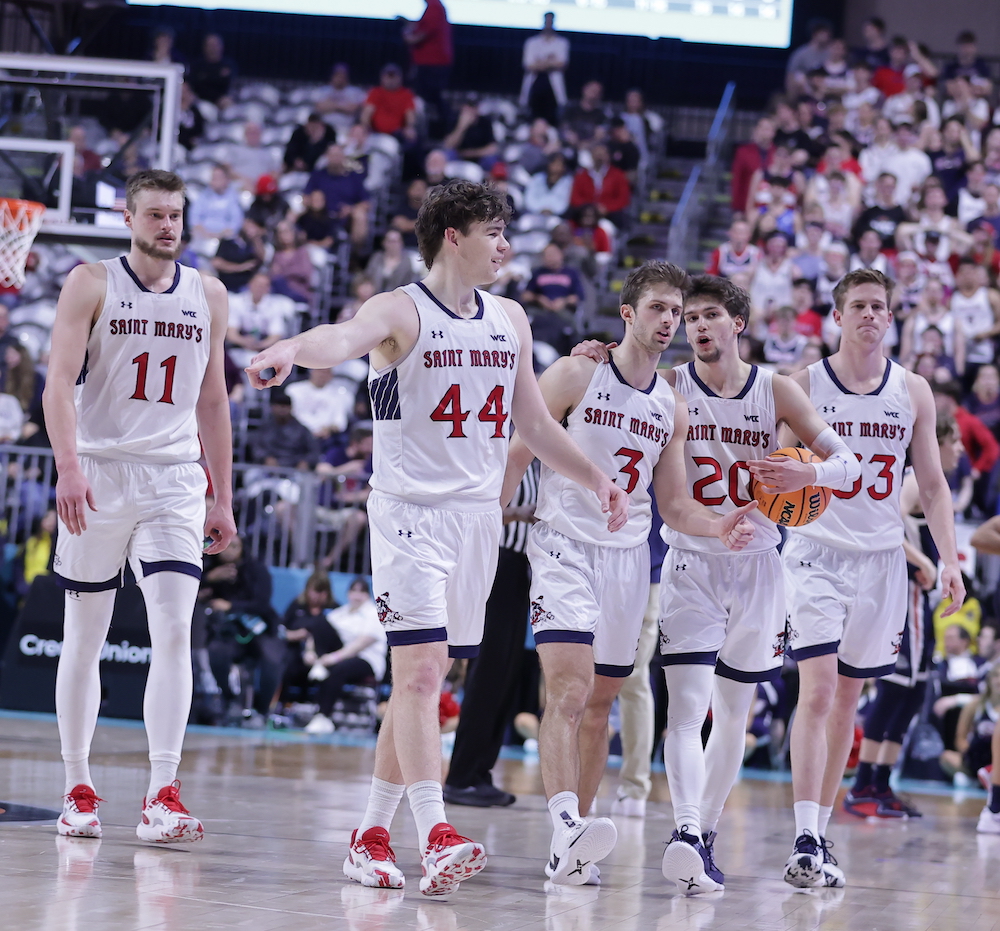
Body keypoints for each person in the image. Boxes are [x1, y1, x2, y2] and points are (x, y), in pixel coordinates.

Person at [245, 179, 628, 896]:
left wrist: (595, 478)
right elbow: (341, 338)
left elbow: (534, 424)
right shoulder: (399, 308)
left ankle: (369, 835)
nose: (506, 247)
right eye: (494, 233)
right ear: (454, 236)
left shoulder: (510, 318)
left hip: (478, 520)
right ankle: (436, 833)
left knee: (419, 681)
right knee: (421, 674)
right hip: (409, 514)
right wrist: (292, 347)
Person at [573, 274, 860, 893]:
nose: (697, 326)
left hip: (759, 567)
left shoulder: (776, 390)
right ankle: (682, 830)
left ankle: (703, 833)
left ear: (738, 324)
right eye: (691, 317)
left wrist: (808, 477)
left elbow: (848, 463)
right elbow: (615, 377)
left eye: (710, 316)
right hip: (691, 560)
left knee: (733, 716)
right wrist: (591, 354)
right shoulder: (668, 385)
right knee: (686, 708)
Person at [505, 262, 758, 886]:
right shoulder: (576, 372)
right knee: (568, 690)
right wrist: (486, 536)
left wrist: (719, 525)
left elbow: (674, 504)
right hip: (564, 545)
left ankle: (574, 851)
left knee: (600, 704)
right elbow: (516, 452)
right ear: (627, 313)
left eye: (676, 311)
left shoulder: (672, 405)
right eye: (658, 309)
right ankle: (565, 824)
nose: (669, 321)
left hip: (627, 561)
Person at [43, 168, 236, 843]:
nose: (167, 225)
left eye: (175, 214)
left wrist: (223, 496)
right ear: (129, 219)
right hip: (99, 471)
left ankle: (163, 792)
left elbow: (213, 399)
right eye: (155, 214)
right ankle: (78, 786)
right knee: (85, 634)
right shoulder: (91, 282)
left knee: (175, 630)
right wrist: (68, 467)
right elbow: (57, 383)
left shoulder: (209, 293)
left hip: (175, 479)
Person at [780, 268, 964, 888]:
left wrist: (950, 560)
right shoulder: (804, 383)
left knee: (848, 699)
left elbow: (932, 486)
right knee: (818, 690)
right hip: (816, 549)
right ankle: (804, 837)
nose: (868, 314)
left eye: (878, 306)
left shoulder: (913, 390)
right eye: (857, 305)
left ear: (890, 317)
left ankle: (820, 831)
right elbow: (772, 466)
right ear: (837, 316)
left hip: (882, 560)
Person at [844, 412, 964, 818]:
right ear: (936, 442)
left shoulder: (932, 484)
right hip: (904, 596)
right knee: (895, 688)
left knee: (913, 692)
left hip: (919, 602)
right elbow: (886, 519)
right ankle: (863, 785)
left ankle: (881, 784)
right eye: (954, 441)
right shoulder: (913, 480)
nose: (959, 449)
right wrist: (922, 561)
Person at [202, 536, 284, 726]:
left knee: (272, 659)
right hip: (229, 631)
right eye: (225, 546)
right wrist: (210, 578)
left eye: (235, 546)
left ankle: (262, 710)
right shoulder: (211, 569)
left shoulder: (257, 570)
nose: (229, 550)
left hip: (261, 629)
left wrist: (230, 605)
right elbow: (195, 592)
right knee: (216, 653)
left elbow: (262, 603)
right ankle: (230, 700)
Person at [301, 578, 387, 734]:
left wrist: (334, 658)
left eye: (361, 592)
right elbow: (317, 632)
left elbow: (361, 643)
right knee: (319, 622)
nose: (357, 595)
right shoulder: (341, 612)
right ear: (348, 593)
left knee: (338, 669)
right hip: (339, 655)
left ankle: (324, 716)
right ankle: (319, 665)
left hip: (365, 660)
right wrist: (310, 652)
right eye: (354, 591)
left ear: (367, 595)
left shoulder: (373, 614)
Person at [402, 0, 453, 137]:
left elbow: (422, 34)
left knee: (428, 98)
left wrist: (408, 37)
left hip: (432, 63)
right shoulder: (434, 7)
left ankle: (443, 131)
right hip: (431, 63)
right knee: (427, 98)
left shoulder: (434, 7)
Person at [520, 12, 569, 127]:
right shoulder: (532, 42)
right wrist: (550, 60)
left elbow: (562, 64)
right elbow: (528, 64)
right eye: (547, 20)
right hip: (535, 85)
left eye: (551, 21)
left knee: (552, 119)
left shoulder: (562, 43)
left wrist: (539, 61)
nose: (548, 23)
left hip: (552, 89)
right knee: (532, 118)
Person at [315, 63, 367, 137]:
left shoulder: (355, 91)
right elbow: (320, 107)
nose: (340, 79)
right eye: (337, 75)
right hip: (325, 128)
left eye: (342, 76)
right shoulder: (323, 90)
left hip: (347, 129)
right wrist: (342, 106)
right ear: (332, 76)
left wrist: (332, 105)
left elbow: (352, 109)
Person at [188, 33, 237, 109]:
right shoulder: (196, 65)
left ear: (221, 46)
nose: (213, 48)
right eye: (210, 45)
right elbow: (197, 86)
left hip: (224, 101)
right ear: (204, 47)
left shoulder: (228, 64)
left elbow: (230, 84)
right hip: (201, 101)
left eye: (215, 45)